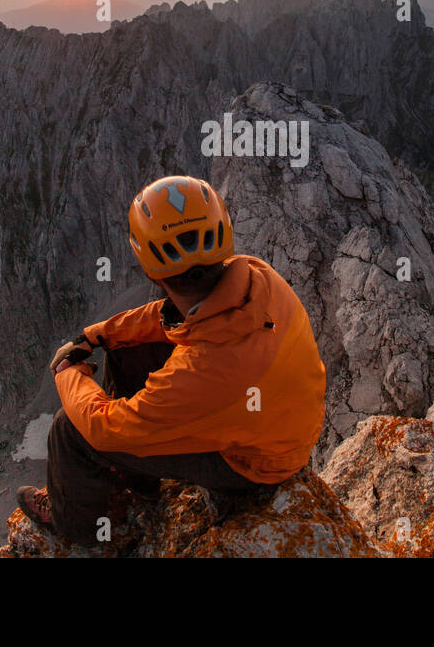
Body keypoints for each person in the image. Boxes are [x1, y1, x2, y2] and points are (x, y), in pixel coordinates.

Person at [17, 174, 326, 547]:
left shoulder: (197, 372)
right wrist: (98, 336)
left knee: (72, 431)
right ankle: (135, 476)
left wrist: (68, 371)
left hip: (258, 463)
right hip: (278, 424)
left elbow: (101, 427)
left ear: (149, 269)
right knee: (126, 350)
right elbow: (171, 315)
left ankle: (85, 534)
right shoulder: (257, 276)